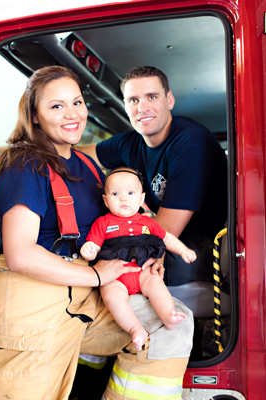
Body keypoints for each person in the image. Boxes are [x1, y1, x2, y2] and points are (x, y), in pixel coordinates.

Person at [0, 65, 191, 399]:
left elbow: (115, 227)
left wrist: (151, 255)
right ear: (34, 116)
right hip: (34, 304)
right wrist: (97, 277)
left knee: (171, 323)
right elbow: (19, 253)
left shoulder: (87, 165)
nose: (71, 114)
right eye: (56, 106)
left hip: (87, 298)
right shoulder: (25, 165)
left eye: (76, 102)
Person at [79, 66, 227, 286]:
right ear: (126, 107)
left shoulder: (190, 142)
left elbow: (163, 232)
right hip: (171, 234)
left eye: (152, 97)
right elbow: (77, 156)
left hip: (205, 243)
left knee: (121, 265)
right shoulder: (128, 143)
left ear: (169, 100)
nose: (143, 108)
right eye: (133, 100)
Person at [81, 167, 196, 351]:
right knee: (112, 297)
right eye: (115, 193)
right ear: (106, 200)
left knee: (156, 284)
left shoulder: (147, 222)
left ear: (141, 199)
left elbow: (165, 237)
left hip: (143, 272)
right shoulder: (103, 223)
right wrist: (90, 251)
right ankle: (136, 329)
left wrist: (182, 250)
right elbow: (94, 244)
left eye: (130, 193)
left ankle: (168, 315)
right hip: (115, 278)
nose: (123, 198)